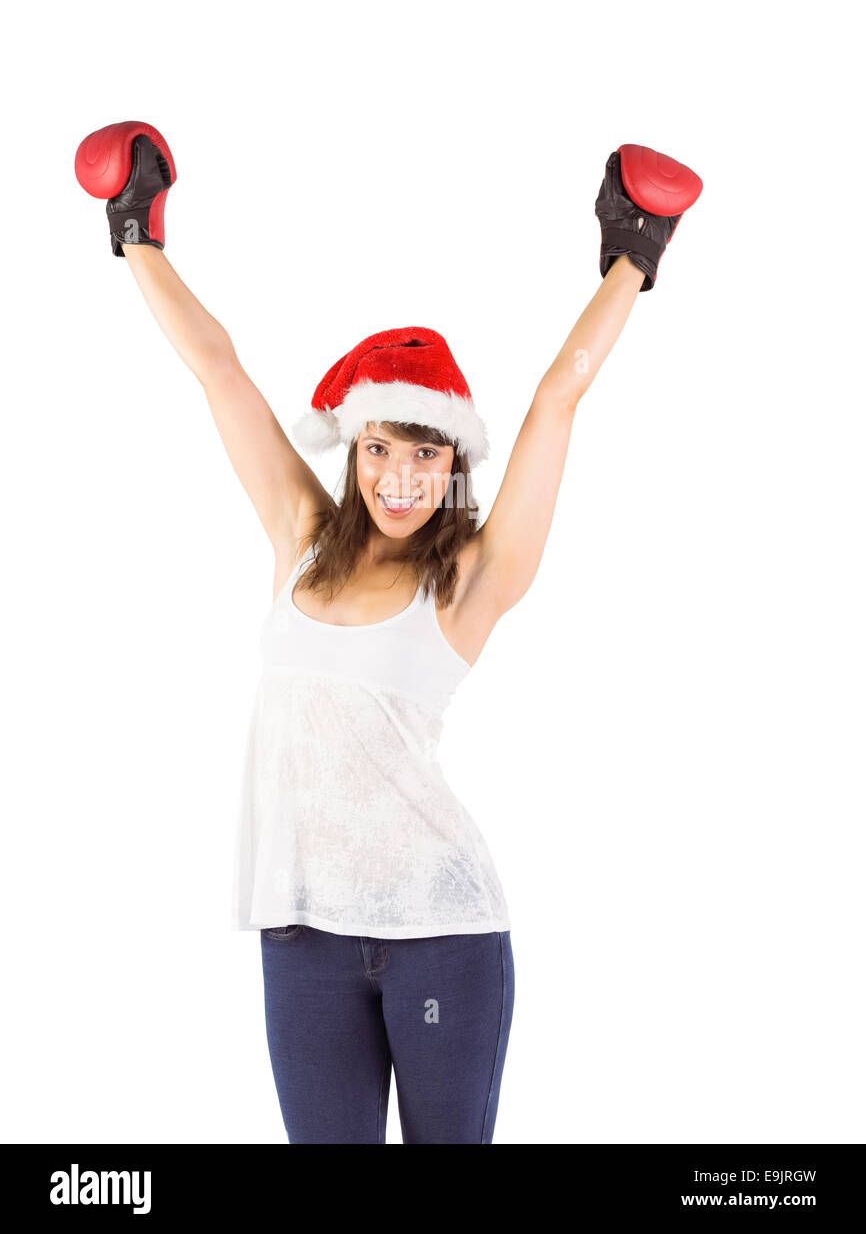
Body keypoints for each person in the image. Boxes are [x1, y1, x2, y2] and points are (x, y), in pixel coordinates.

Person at [75, 124, 701, 1143]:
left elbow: (557, 398)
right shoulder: (301, 539)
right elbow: (220, 373)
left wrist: (634, 250)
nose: (399, 477)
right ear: (355, 449)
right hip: (302, 934)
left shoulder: (466, 581)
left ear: (450, 461)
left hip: (442, 935)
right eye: (378, 448)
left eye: (423, 453)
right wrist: (137, 233)